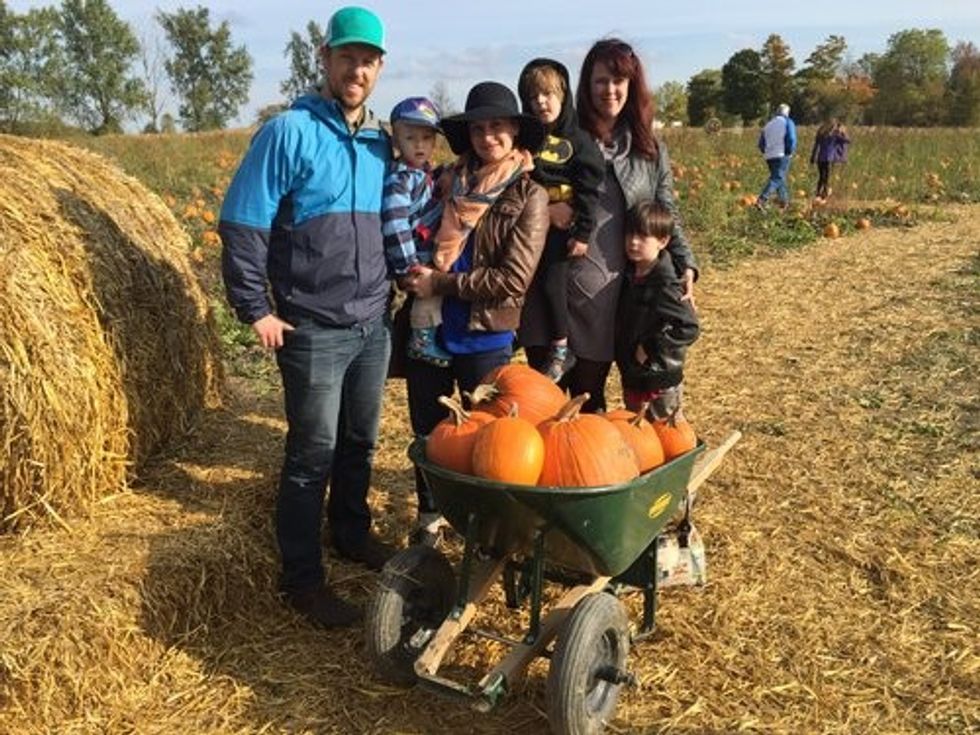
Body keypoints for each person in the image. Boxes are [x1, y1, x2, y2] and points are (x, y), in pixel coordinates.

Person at [218, 6, 395, 629]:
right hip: (313, 328)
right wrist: (255, 308)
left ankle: (350, 533)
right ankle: (302, 578)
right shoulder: (287, 132)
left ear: (379, 69)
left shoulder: (381, 141)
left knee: (360, 442)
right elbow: (243, 221)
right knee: (310, 452)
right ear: (325, 60)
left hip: (372, 323)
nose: (357, 69)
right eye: (347, 56)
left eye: (368, 60)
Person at [402, 81, 549, 543]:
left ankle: (486, 527)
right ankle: (430, 516)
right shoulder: (447, 179)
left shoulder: (529, 196)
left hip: (484, 336)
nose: (488, 137)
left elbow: (512, 281)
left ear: (515, 132)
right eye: (480, 129)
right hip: (430, 325)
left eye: (498, 127)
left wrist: (439, 282)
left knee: (488, 441)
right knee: (429, 433)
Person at [518, 38, 698, 414]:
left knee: (590, 396)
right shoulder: (564, 134)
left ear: (632, 86)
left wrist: (687, 265)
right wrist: (546, 207)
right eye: (601, 81)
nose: (610, 90)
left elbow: (666, 210)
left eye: (619, 81)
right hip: (551, 277)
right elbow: (518, 172)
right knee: (545, 398)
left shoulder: (648, 148)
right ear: (586, 85)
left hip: (608, 290)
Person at [517, 58, 604, 381]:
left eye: (548, 94)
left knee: (553, 285)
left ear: (563, 95)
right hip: (531, 230)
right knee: (526, 282)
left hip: (561, 232)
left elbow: (589, 191)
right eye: (533, 96)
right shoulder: (526, 140)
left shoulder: (579, 141)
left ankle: (561, 346)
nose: (541, 102)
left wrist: (582, 233)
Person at [381, 96, 452, 367]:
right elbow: (394, 222)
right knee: (427, 295)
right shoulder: (400, 179)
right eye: (410, 138)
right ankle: (421, 341)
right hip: (415, 254)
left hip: (426, 248)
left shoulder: (424, 173)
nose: (419, 144)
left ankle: (427, 336)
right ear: (397, 141)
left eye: (426, 137)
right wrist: (407, 264)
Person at [616, 200, 699, 421]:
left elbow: (689, 327)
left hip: (660, 380)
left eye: (643, 237)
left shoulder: (665, 284)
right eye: (630, 235)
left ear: (662, 241)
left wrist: (650, 346)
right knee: (640, 434)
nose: (633, 242)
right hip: (635, 375)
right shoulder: (632, 275)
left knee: (667, 434)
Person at [756, 103, 798, 209]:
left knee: (780, 178)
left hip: (769, 156)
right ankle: (762, 200)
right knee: (777, 178)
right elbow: (792, 138)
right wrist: (789, 151)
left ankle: (784, 203)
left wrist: (766, 152)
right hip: (781, 154)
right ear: (787, 113)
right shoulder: (788, 122)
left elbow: (761, 143)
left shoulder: (768, 124)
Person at [810, 118, 850, 200]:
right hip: (829, 159)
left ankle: (818, 193)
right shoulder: (835, 135)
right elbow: (847, 141)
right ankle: (824, 194)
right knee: (826, 177)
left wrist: (813, 157)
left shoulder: (821, 134)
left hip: (820, 159)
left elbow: (815, 147)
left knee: (821, 177)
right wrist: (842, 132)